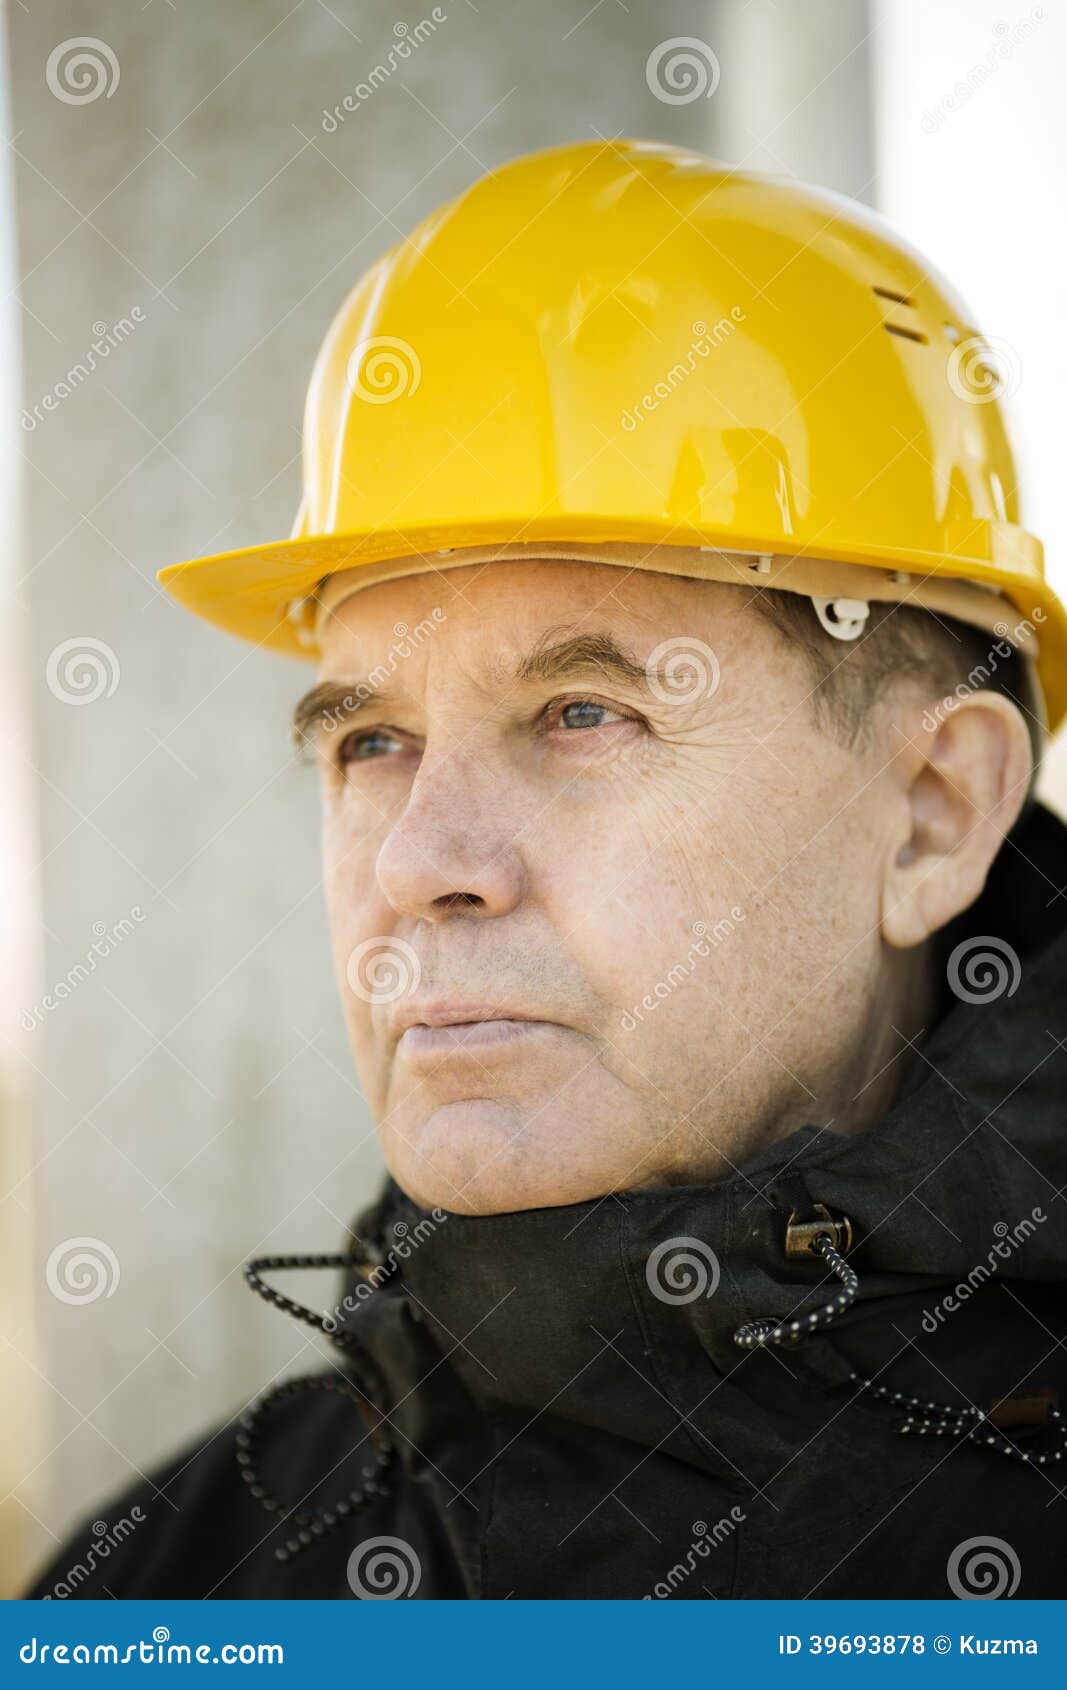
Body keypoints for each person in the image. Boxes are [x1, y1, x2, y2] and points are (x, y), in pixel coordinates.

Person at [27, 139, 1067, 1601]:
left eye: (585, 714)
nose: (421, 861)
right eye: (370, 740)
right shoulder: (164, 1589)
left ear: (933, 813)